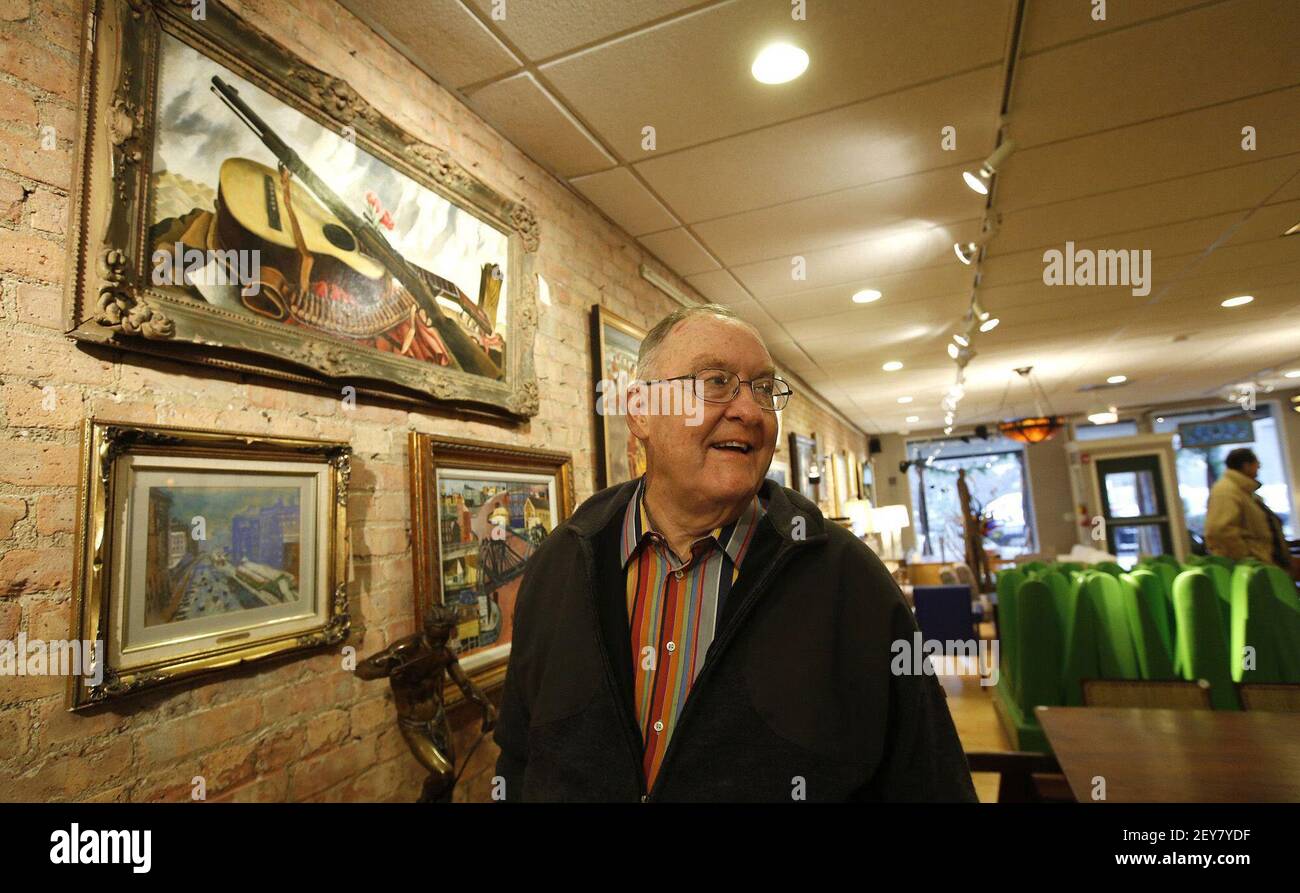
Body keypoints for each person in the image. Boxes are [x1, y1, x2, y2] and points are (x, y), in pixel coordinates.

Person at [493, 304, 976, 802]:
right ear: (639, 409)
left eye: (764, 388)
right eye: (716, 381)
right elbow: (519, 751)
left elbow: (930, 778)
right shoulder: (565, 559)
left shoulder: (850, 580)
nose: (749, 411)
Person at [1205, 447, 1289, 569]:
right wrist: (1248, 559)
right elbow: (1221, 531)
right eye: (1257, 465)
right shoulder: (1226, 492)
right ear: (1246, 466)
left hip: (1260, 564)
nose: (1258, 469)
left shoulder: (1242, 491)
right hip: (1251, 568)